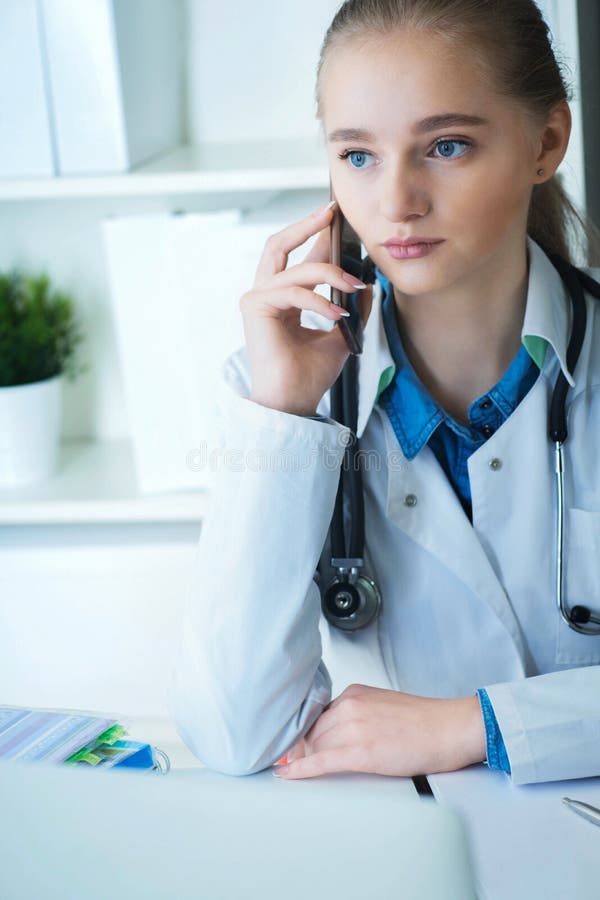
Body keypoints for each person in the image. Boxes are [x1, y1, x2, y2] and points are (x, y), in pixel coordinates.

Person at [168, 0, 600, 785]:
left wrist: (477, 724)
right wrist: (286, 413)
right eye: (359, 156)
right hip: (412, 850)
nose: (396, 201)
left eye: (445, 146)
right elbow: (236, 733)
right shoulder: (280, 391)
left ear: (546, 143)